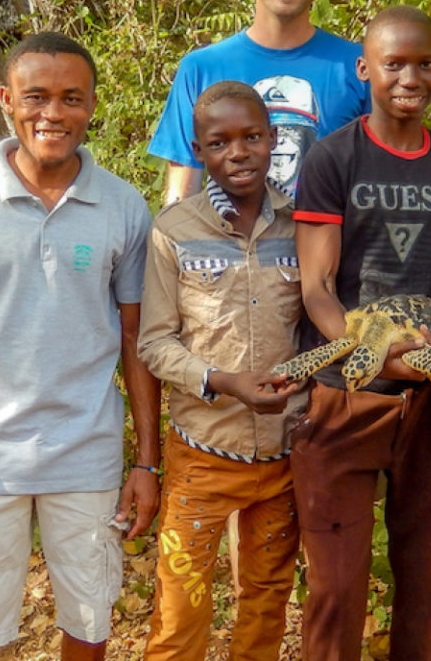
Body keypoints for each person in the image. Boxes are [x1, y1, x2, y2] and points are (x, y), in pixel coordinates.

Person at [0, 32, 161, 661]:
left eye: (71, 98)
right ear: (6, 100)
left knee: (89, 624)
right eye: (36, 97)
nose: (53, 113)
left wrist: (145, 461)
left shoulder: (125, 207)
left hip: (89, 457)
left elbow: (136, 339)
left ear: (92, 105)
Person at [286, 5, 431, 660]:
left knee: (424, 578)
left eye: (425, 63)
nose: (411, 77)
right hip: (344, 392)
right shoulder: (332, 158)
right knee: (337, 590)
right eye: (395, 63)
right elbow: (316, 286)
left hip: (430, 395)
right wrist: (373, 356)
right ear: (365, 68)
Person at [138, 80, 307, 661]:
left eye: (252, 137)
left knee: (265, 602)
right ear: (199, 149)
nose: (239, 153)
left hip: (285, 453)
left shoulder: (303, 226)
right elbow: (155, 342)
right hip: (204, 454)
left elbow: (321, 323)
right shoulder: (174, 231)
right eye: (220, 142)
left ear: (273, 140)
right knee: (181, 607)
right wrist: (225, 381)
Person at [148, 0, 369, 203]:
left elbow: (379, 187)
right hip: (229, 248)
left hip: (332, 249)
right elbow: (181, 201)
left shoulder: (359, 67)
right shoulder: (201, 69)